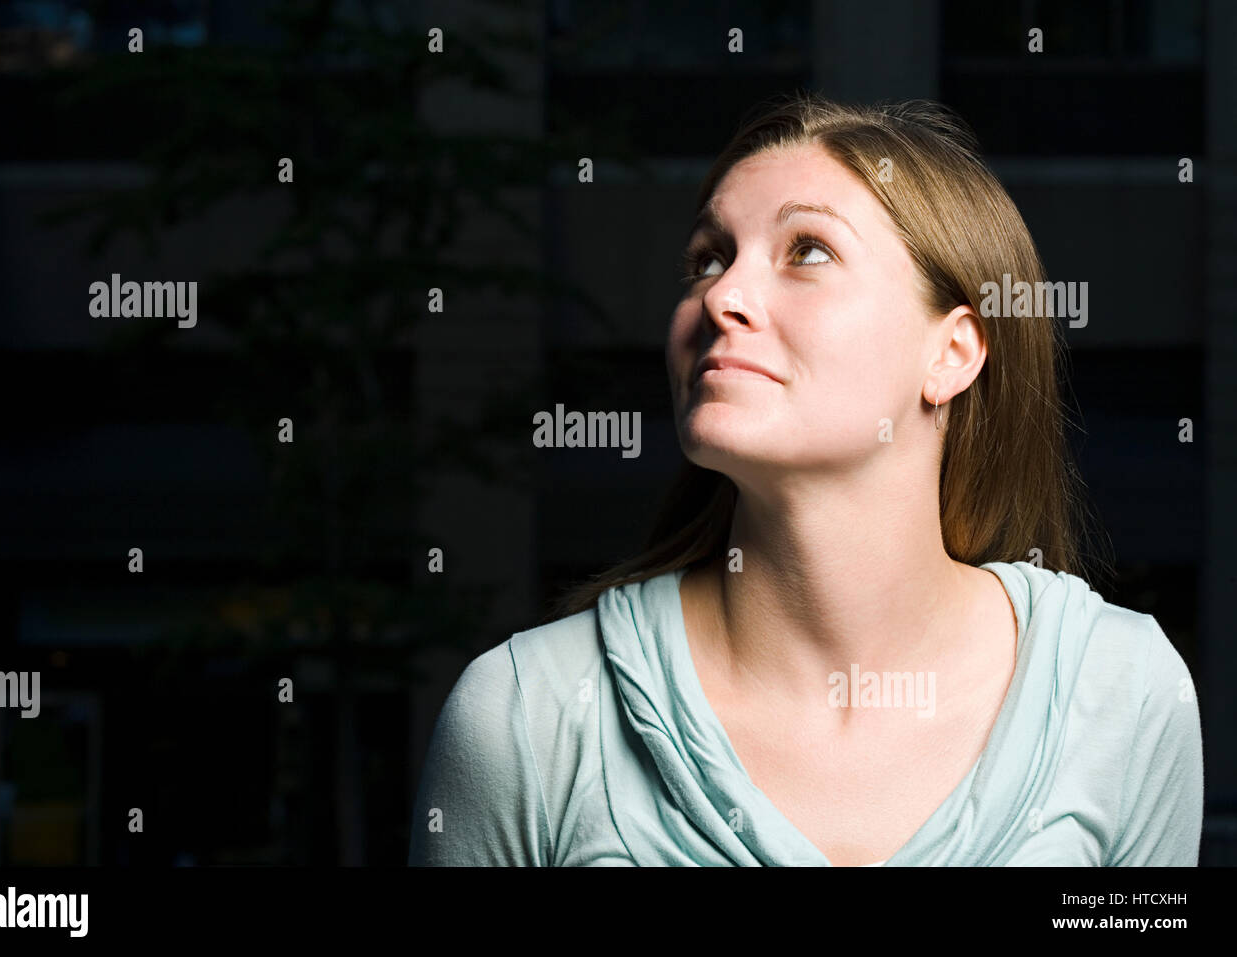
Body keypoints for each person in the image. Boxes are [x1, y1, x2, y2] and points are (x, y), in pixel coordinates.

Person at [407, 93, 1204, 866]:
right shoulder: (526, 714)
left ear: (952, 352)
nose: (721, 295)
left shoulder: (1124, 692)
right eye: (707, 258)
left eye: (807, 251)